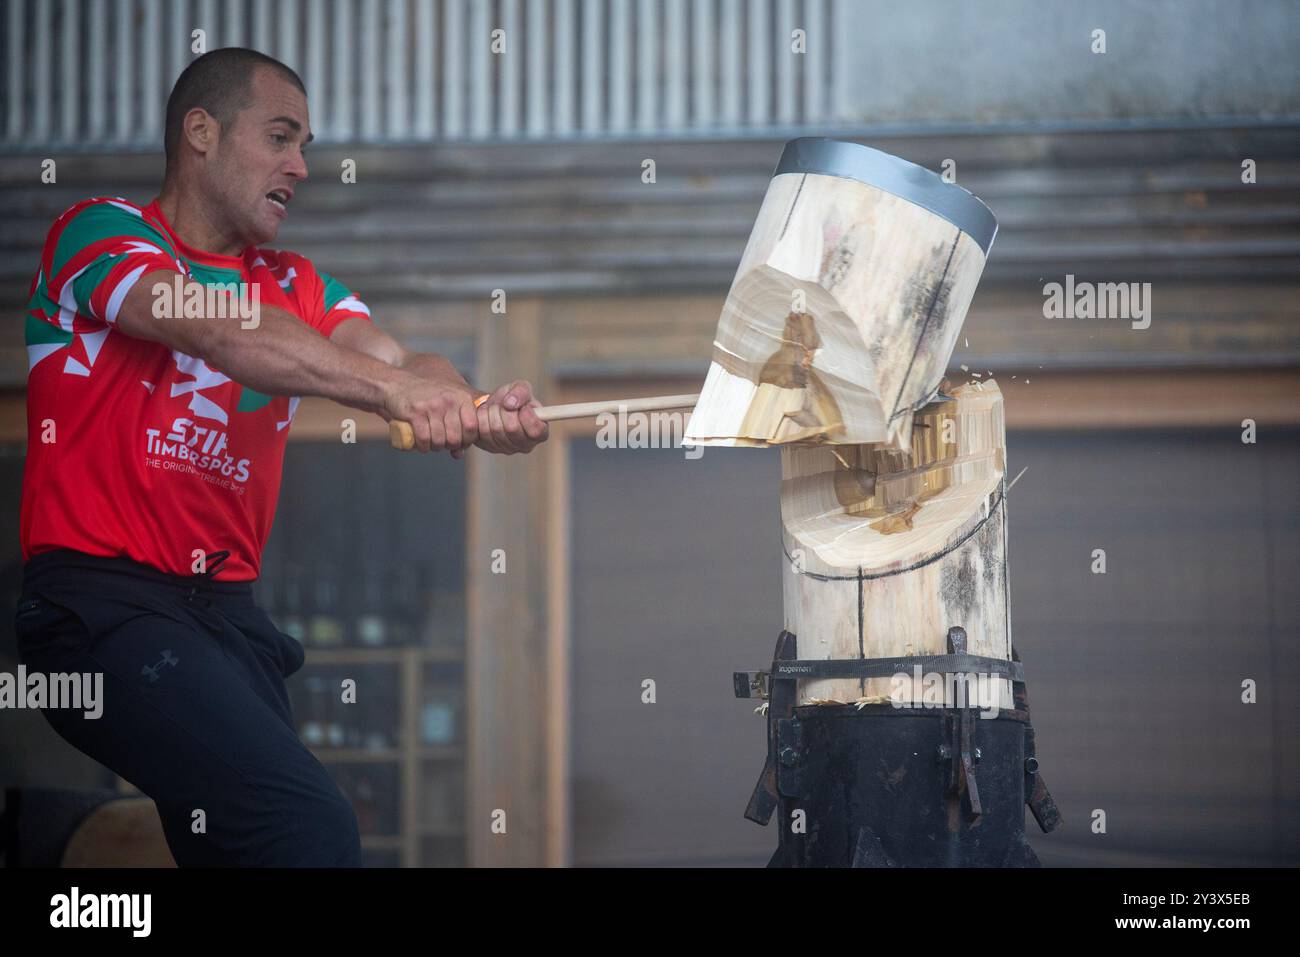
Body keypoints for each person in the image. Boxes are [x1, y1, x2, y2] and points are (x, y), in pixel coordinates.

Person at [13, 47, 547, 866]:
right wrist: (393, 393)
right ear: (201, 132)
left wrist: (467, 403)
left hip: (226, 617)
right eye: (280, 138)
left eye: (305, 146)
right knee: (306, 827)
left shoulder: (299, 283)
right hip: (100, 611)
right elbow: (219, 328)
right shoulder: (96, 233)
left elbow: (405, 362)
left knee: (247, 844)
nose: (301, 166)